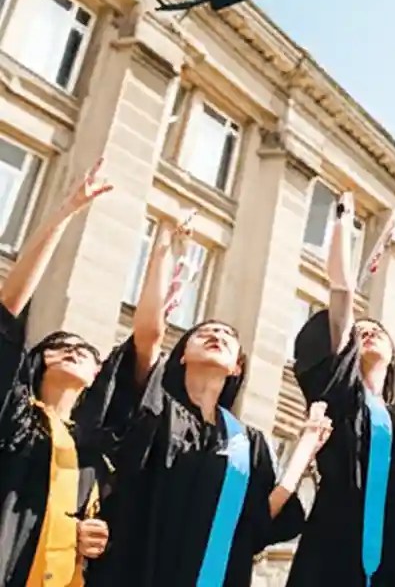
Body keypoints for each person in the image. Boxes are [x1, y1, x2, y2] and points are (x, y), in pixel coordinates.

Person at [90, 200, 327, 586]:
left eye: (228, 337)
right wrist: (165, 247)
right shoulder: (154, 408)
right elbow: (147, 335)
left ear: (237, 367)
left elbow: (260, 517)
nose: (217, 335)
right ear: (181, 356)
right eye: (203, 333)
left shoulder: (245, 442)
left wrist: (305, 448)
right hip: (134, 571)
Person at [288, 194, 395, 587]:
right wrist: (342, 228)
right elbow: (342, 294)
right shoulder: (341, 396)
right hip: (338, 545)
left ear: (392, 355)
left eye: (377, 332)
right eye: (360, 331)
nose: (368, 333)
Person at [0, 159, 142, 587]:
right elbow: (6, 313)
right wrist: (65, 213)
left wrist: (86, 536)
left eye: (84, 350)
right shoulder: (15, 419)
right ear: (38, 362)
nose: (72, 351)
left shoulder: (92, 455)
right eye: (59, 347)